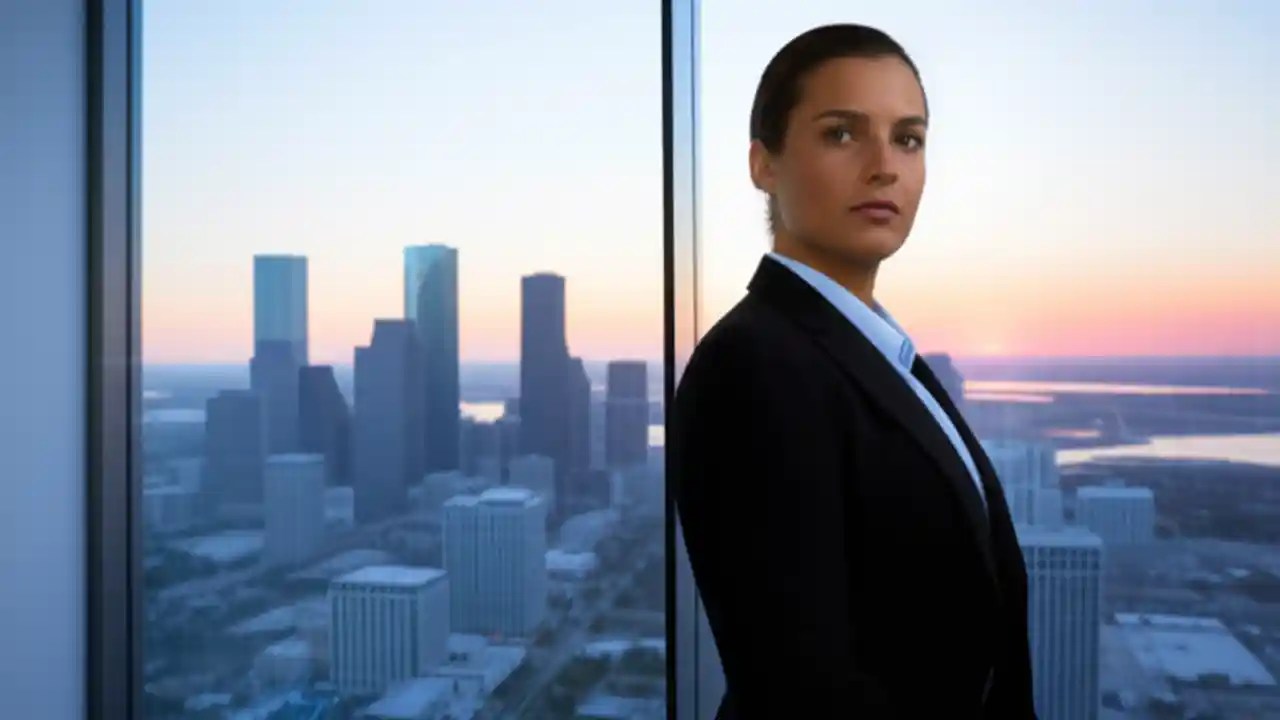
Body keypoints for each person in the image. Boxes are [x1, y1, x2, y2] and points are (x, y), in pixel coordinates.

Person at [670, 24, 1037, 719]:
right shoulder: (752, 367)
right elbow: (802, 687)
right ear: (764, 164)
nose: (884, 166)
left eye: (908, 138)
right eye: (842, 133)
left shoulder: (877, 353)